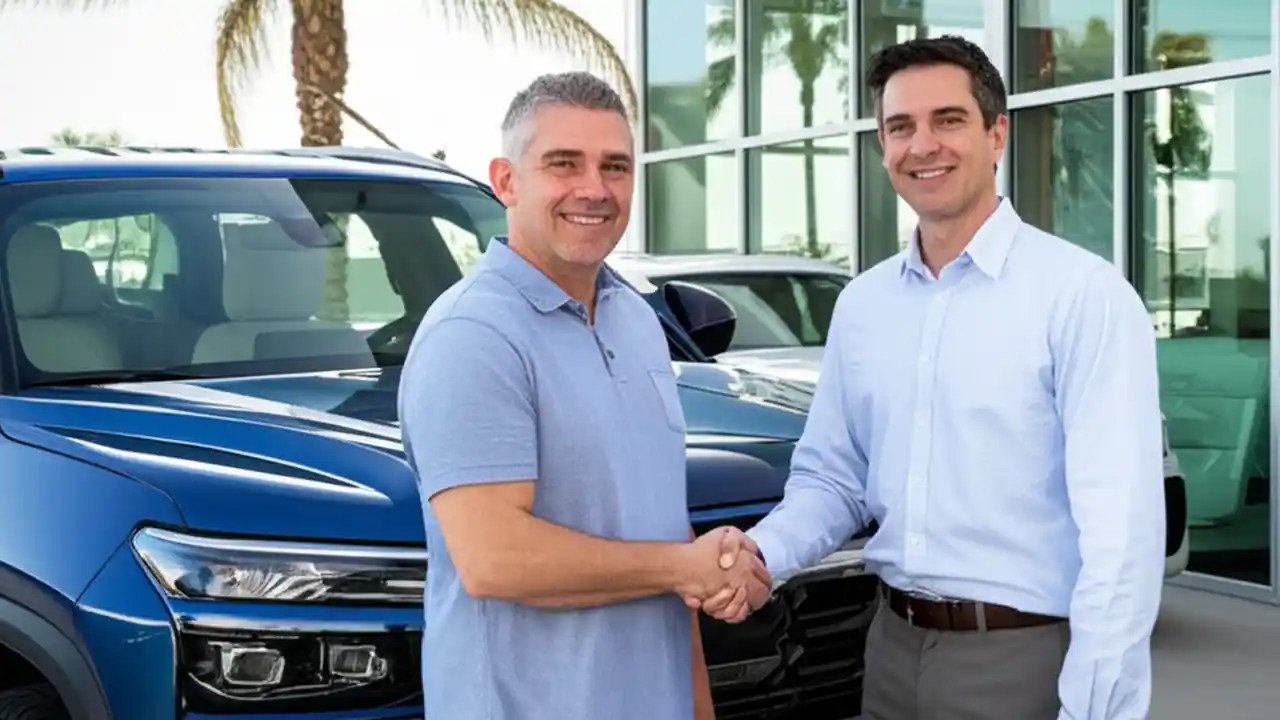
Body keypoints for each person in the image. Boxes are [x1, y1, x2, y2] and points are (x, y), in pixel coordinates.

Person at [704, 35, 1166, 719]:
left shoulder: (1080, 296)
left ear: (996, 132)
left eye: (947, 120)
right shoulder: (863, 306)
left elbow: (1122, 535)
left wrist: (1097, 706)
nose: (923, 146)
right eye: (900, 127)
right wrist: (760, 556)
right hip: (889, 650)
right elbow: (833, 478)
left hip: (1022, 658)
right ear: (883, 145)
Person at [397, 71, 771, 720]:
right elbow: (495, 559)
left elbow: (662, 531)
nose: (594, 189)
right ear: (507, 180)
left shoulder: (635, 320)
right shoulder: (473, 335)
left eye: (615, 166)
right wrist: (686, 568)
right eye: (563, 164)